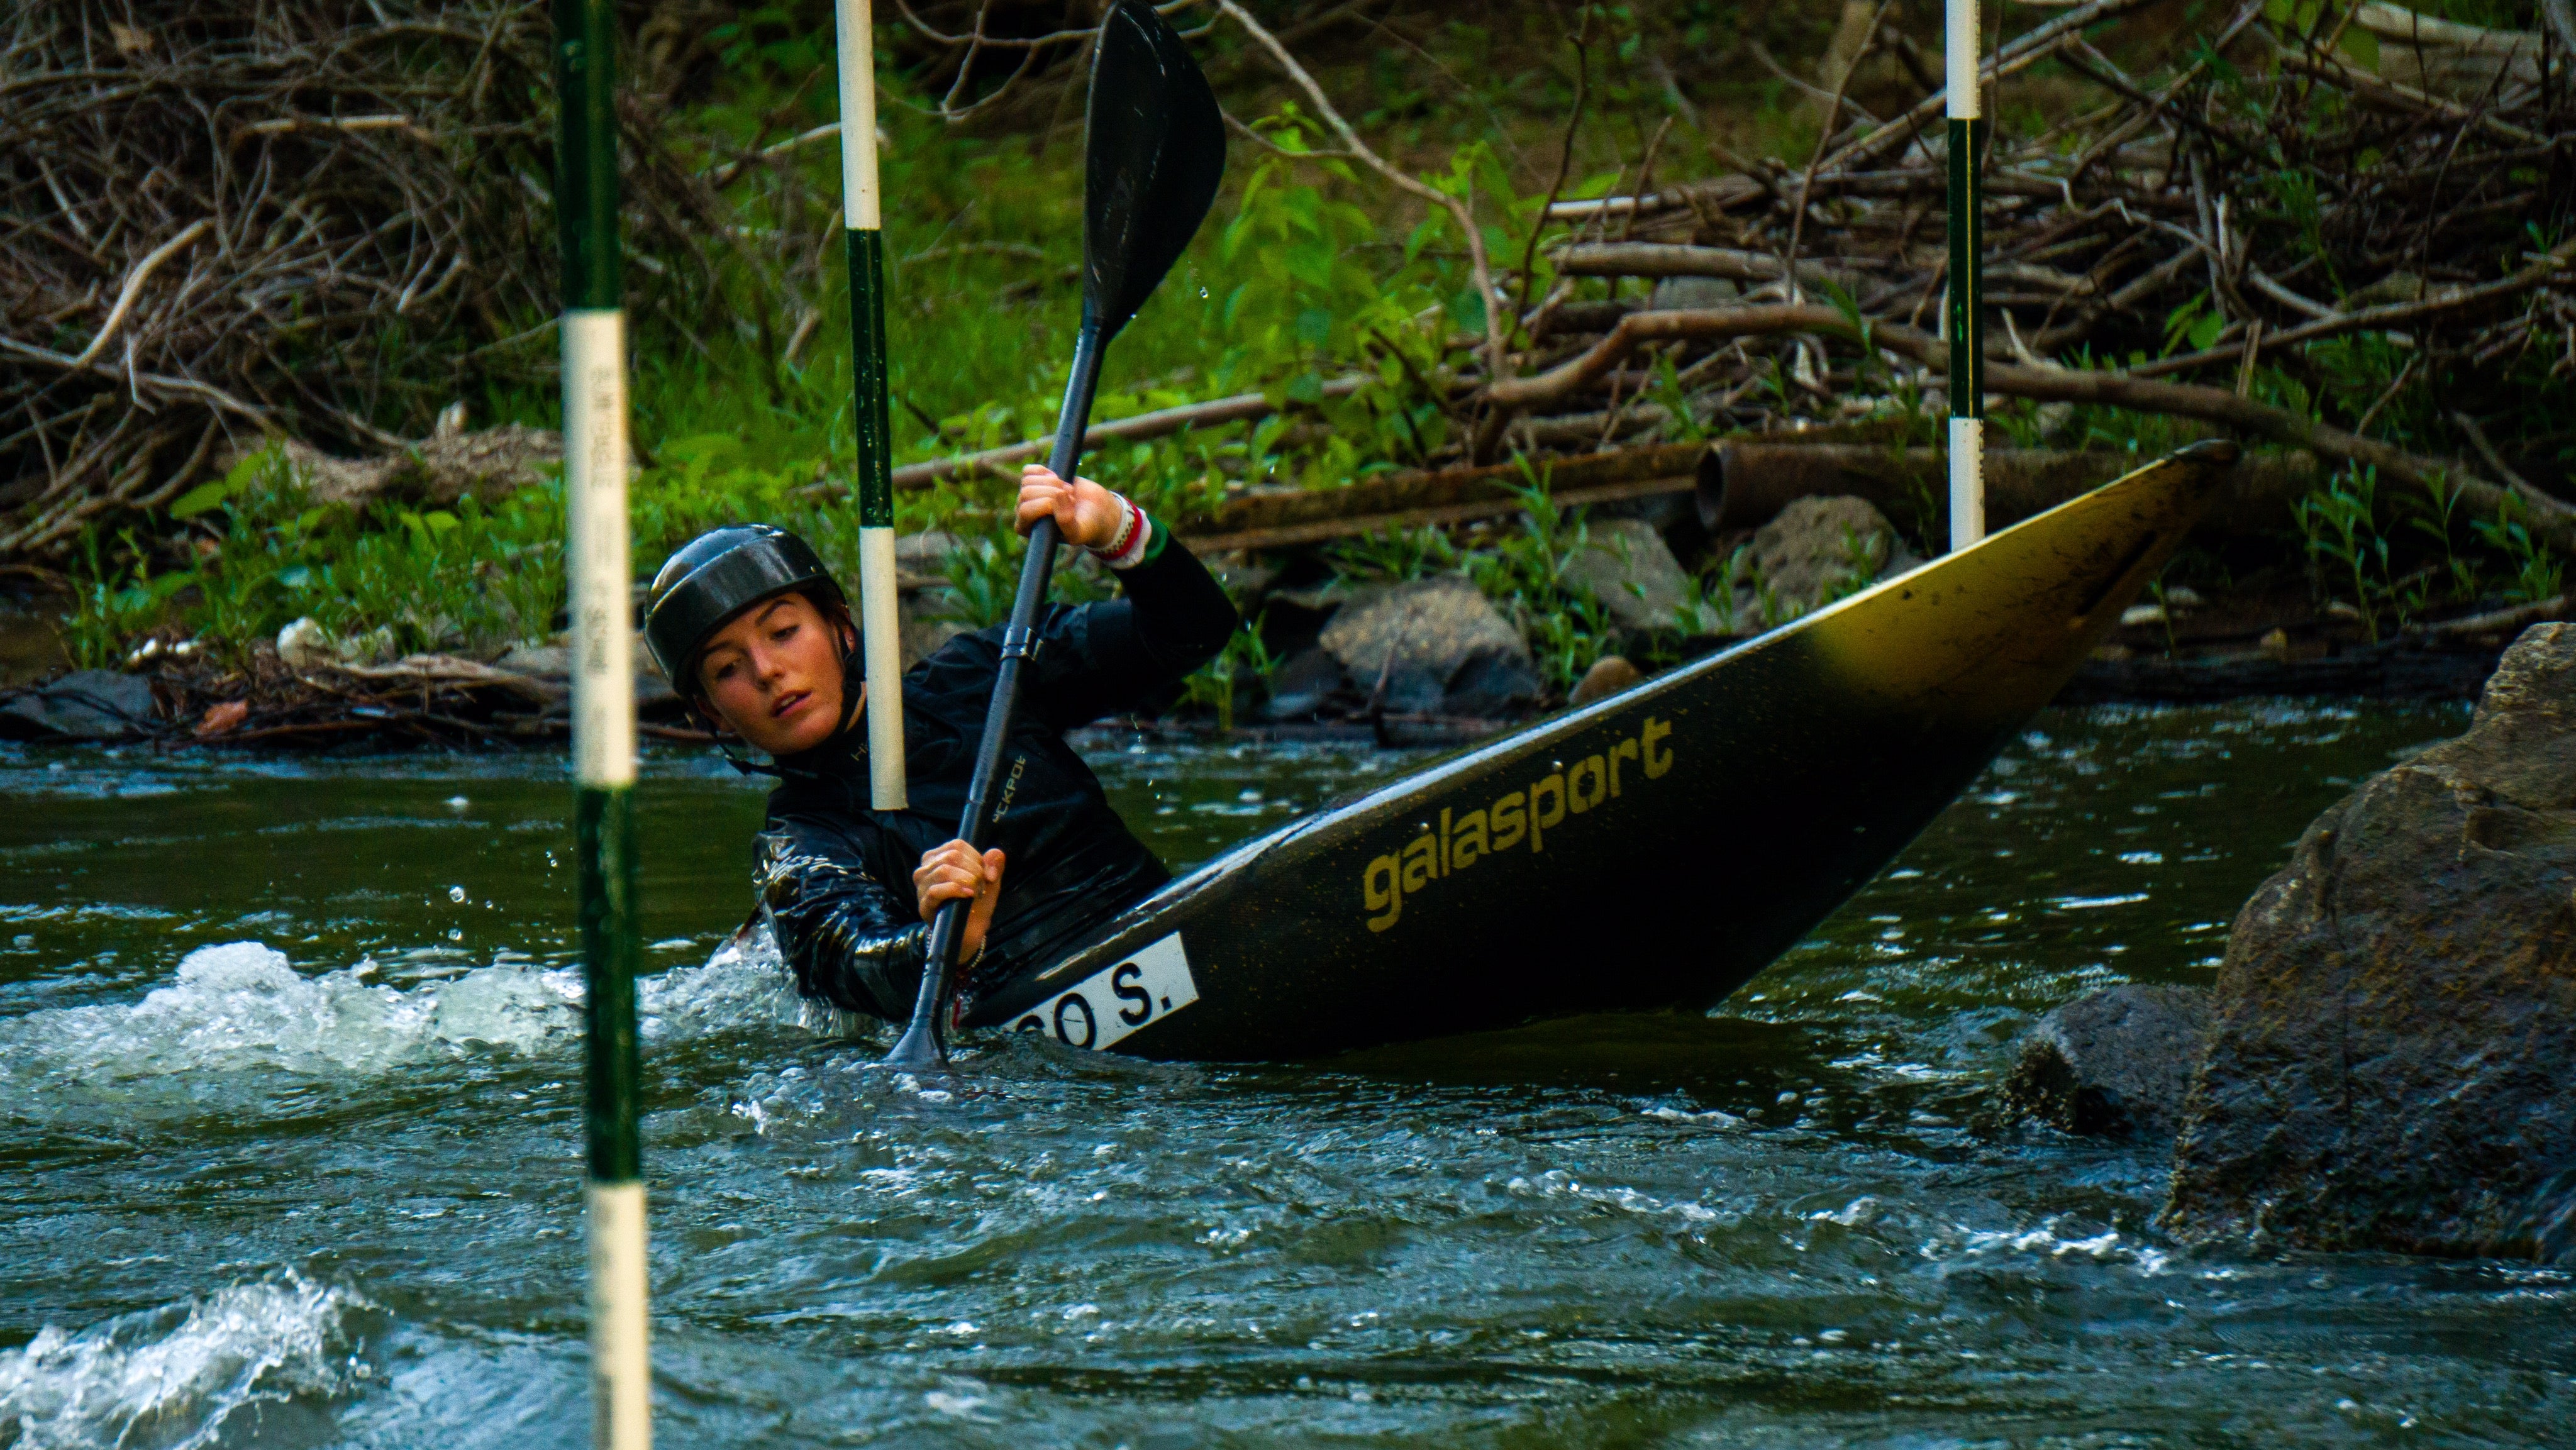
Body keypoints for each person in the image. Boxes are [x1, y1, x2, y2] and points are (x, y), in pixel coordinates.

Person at [641, 465, 1238, 1025]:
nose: (768, 670)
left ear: (842, 628)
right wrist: (944, 945)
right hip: (1026, 1044)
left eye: (784, 632)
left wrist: (1119, 532)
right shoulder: (798, 847)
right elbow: (855, 963)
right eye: (727, 669)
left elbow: (1193, 632)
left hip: (1163, 925)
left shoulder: (984, 676)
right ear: (709, 711)